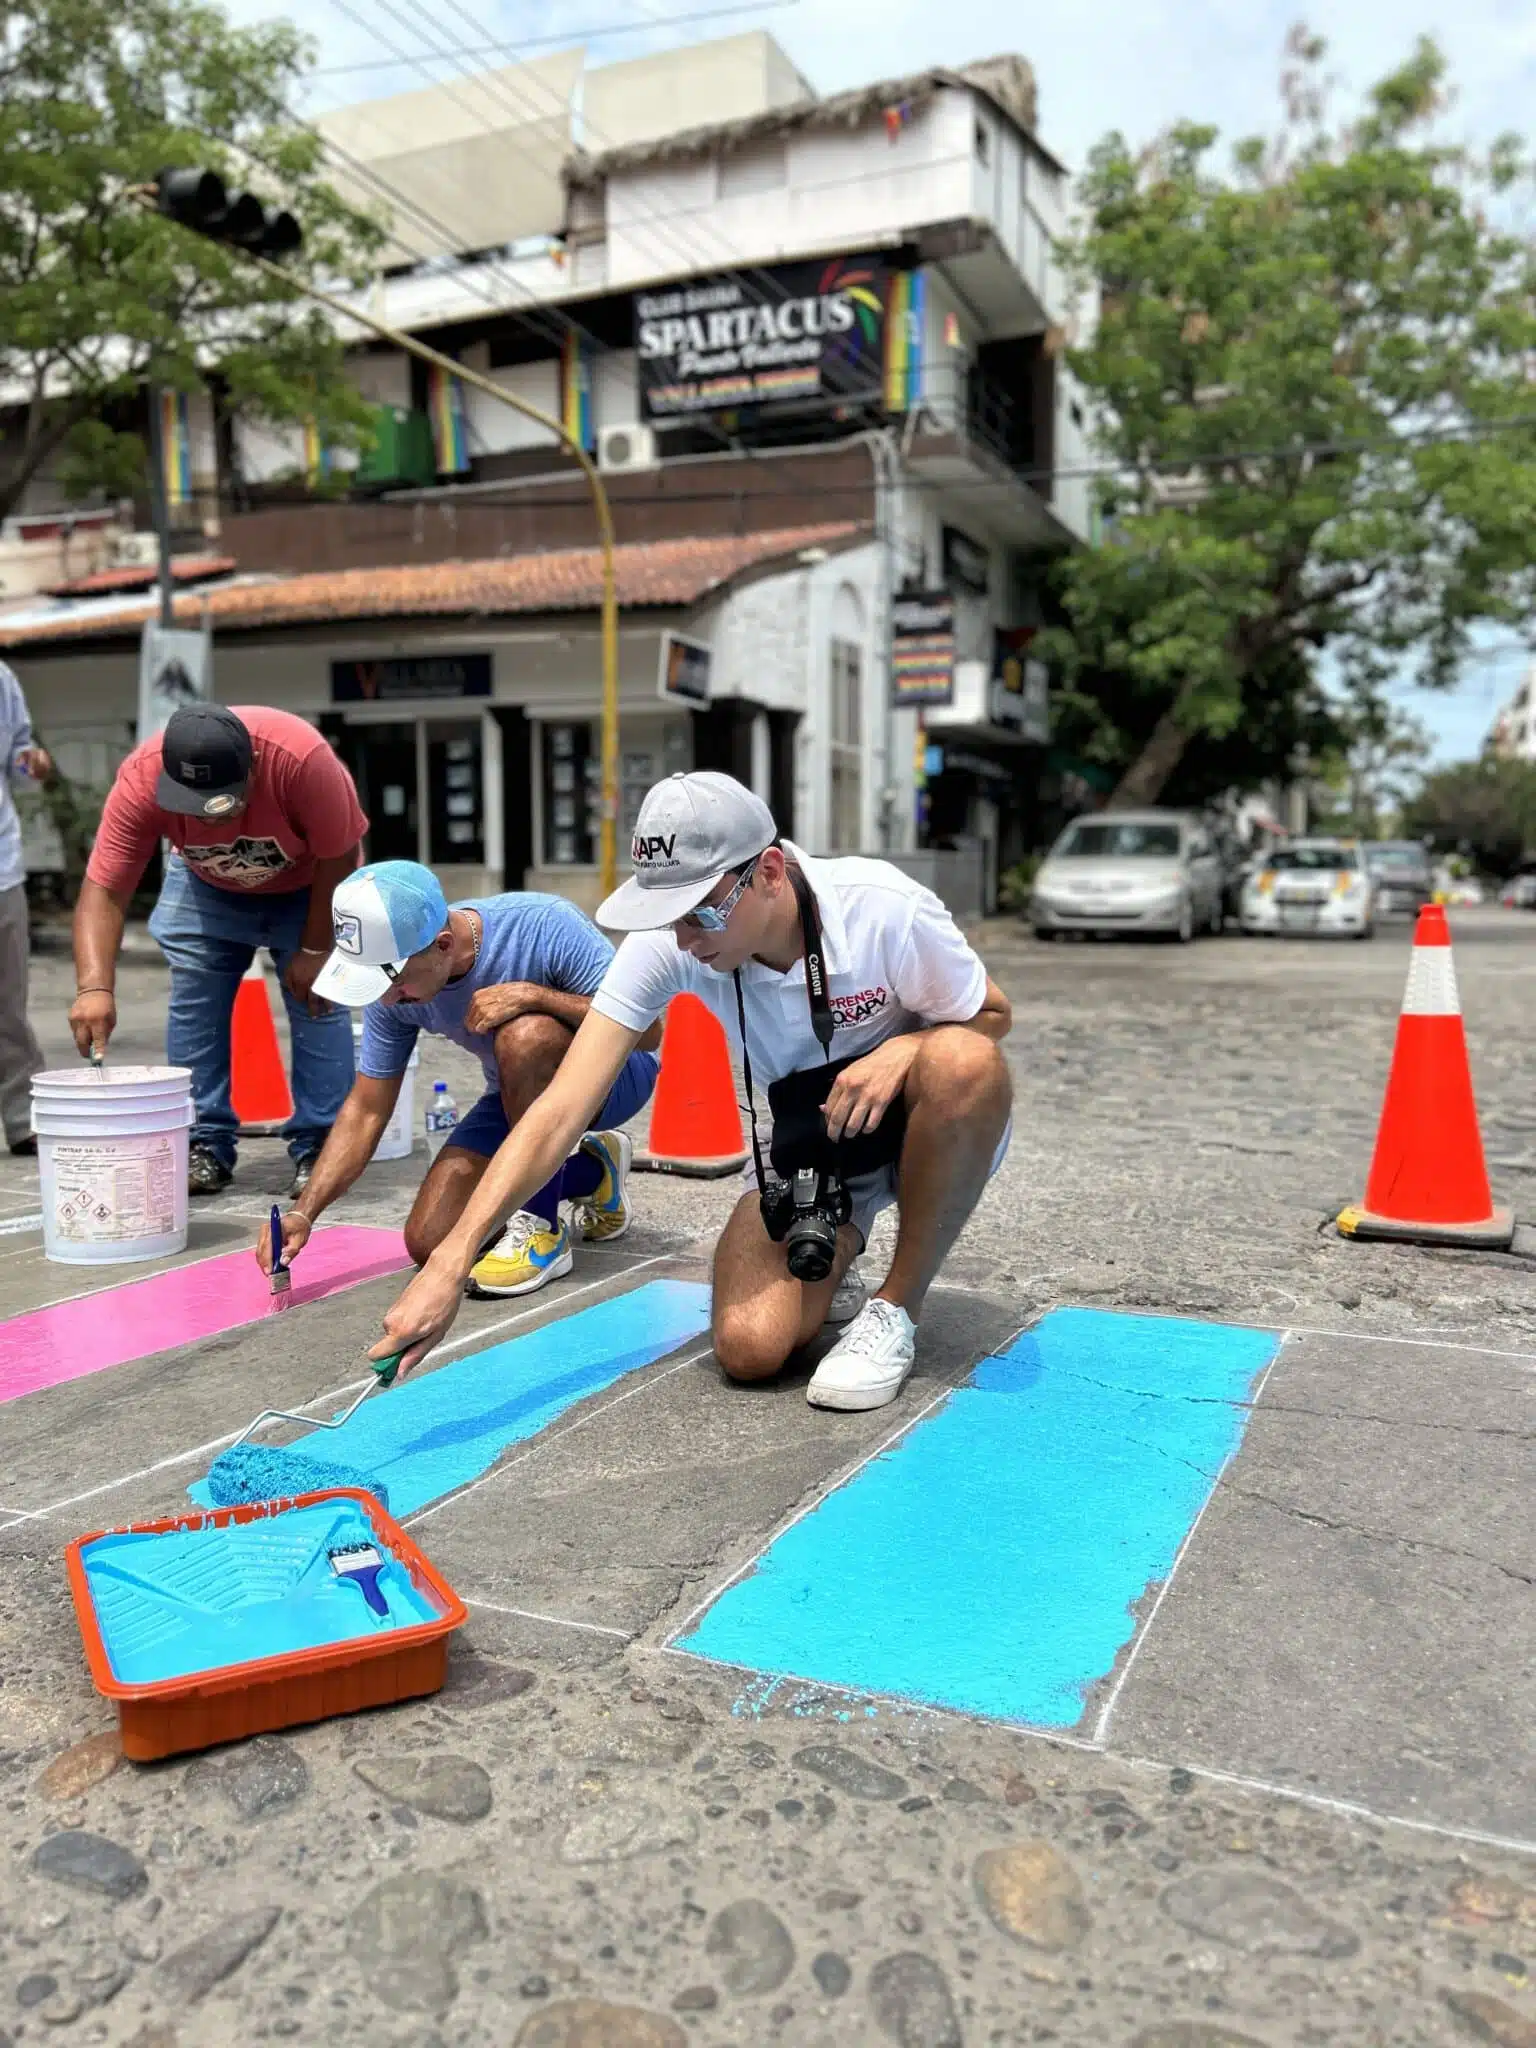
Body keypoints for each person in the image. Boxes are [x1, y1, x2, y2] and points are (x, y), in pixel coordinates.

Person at [370, 772, 1013, 1411]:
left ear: (766, 872)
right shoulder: (673, 942)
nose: (684, 939)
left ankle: (897, 1306)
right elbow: (561, 1108)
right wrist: (451, 1261)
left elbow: (991, 1015)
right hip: (812, 1144)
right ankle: (837, 1248)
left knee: (963, 1060)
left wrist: (906, 1048)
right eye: (667, 915)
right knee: (749, 1349)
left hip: (921, 1123)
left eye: (699, 913)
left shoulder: (882, 906)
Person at [254, 859, 662, 1297]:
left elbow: (648, 1031)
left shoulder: (544, 924)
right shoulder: (393, 985)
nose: (388, 998)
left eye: (393, 982)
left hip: (613, 1078)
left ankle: (543, 1230)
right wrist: (306, 1212)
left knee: (525, 1035)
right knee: (430, 1240)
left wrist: (534, 996)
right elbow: (367, 1108)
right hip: (516, 1095)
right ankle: (593, 1172)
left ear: (444, 945)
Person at [70, 704, 365, 1197]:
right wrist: (94, 987)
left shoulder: (302, 760)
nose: (212, 815)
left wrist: (316, 949)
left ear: (253, 762)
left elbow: (340, 856)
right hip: (205, 886)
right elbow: (105, 889)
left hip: (310, 885)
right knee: (196, 1003)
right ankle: (204, 1143)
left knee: (319, 998)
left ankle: (321, 1145)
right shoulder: (141, 780)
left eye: (223, 799)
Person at [0, 660, 52, 1158]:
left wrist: (29, 760)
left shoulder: (1, 678)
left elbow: (18, 749)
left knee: (7, 1005)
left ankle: (23, 1119)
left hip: (1, 868)